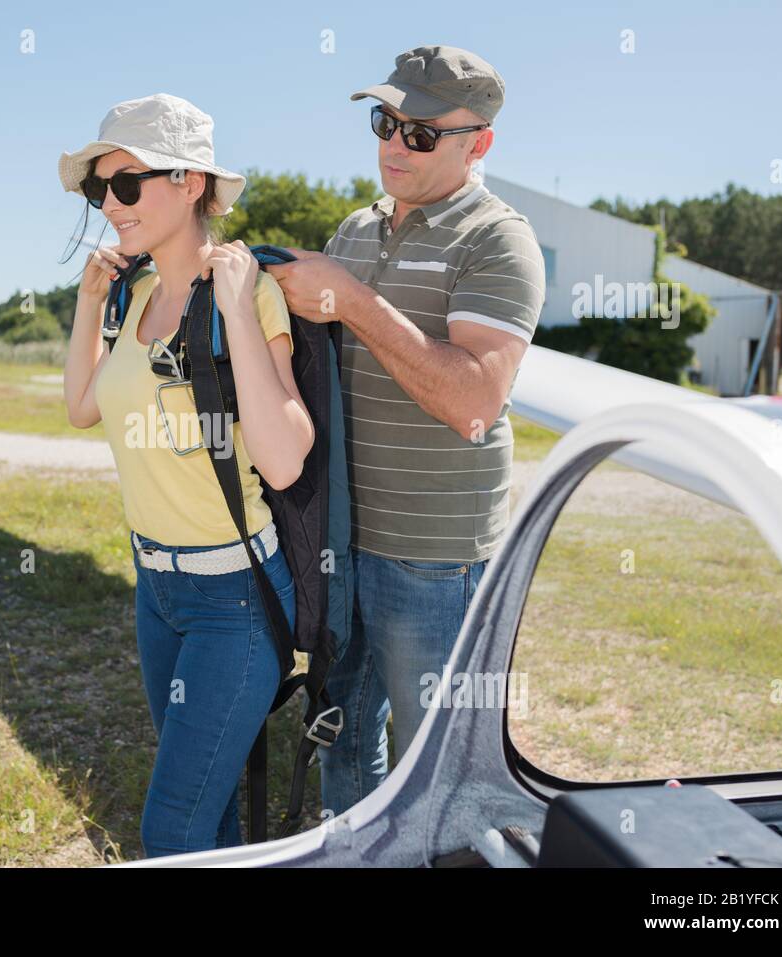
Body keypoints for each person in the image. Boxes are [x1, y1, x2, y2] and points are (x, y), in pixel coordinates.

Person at [265, 47, 546, 816]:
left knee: (446, 766)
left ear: (477, 142)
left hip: (434, 557)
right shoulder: (353, 230)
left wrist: (350, 298)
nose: (394, 144)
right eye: (384, 122)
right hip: (341, 540)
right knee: (344, 740)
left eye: (420, 133)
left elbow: (472, 402)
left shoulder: (499, 240)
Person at [58, 93, 315, 856]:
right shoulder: (131, 294)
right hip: (156, 591)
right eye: (98, 188)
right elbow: (81, 406)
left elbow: (285, 454)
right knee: (208, 814)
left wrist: (237, 306)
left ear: (193, 183)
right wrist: (87, 303)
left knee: (170, 826)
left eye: (128, 183)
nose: (111, 203)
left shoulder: (250, 293)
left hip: (233, 600)